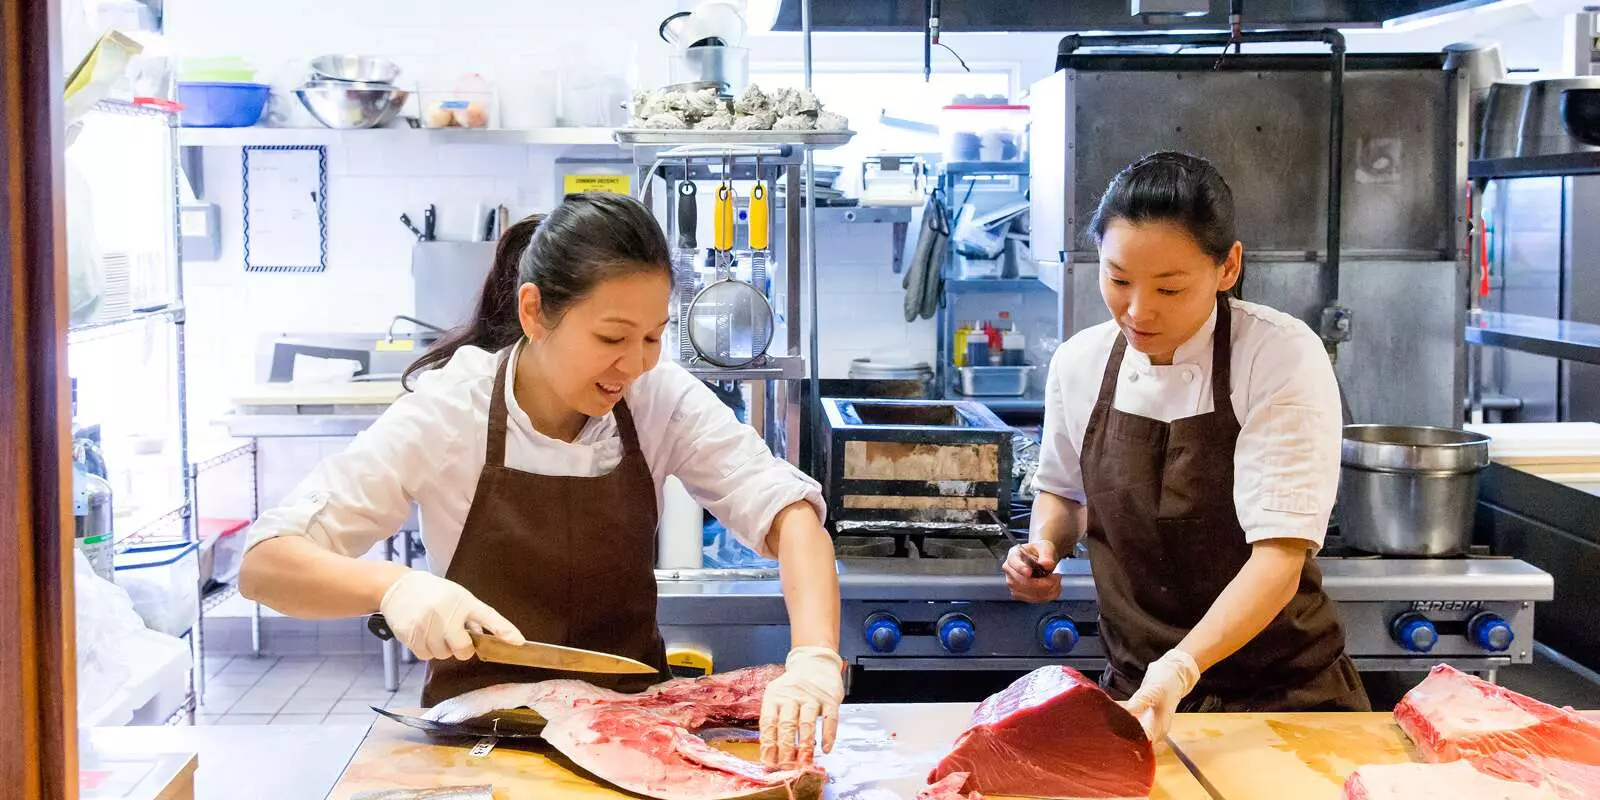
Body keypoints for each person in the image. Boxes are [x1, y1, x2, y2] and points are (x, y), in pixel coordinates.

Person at [240, 192, 843, 769]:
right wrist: (393, 586)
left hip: (633, 739)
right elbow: (265, 565)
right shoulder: (451, 409)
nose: (634, 364)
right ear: (534, 311)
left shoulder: (657, 397)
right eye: (611, 338)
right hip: (476, 738)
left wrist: (814, 655)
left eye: (654, 337)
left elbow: (790, 515)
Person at [1004, 152, 1370, 742]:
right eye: (1118, 279)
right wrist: (1043, 545)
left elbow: (1278, 559)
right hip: (1136, 700)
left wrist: (1179, 668)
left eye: (1170, 288)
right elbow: (1064, 492)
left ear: (1228, 267)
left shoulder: (1277, 354)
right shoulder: (1080, 361)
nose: (1138, 310)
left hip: (1286, 701)